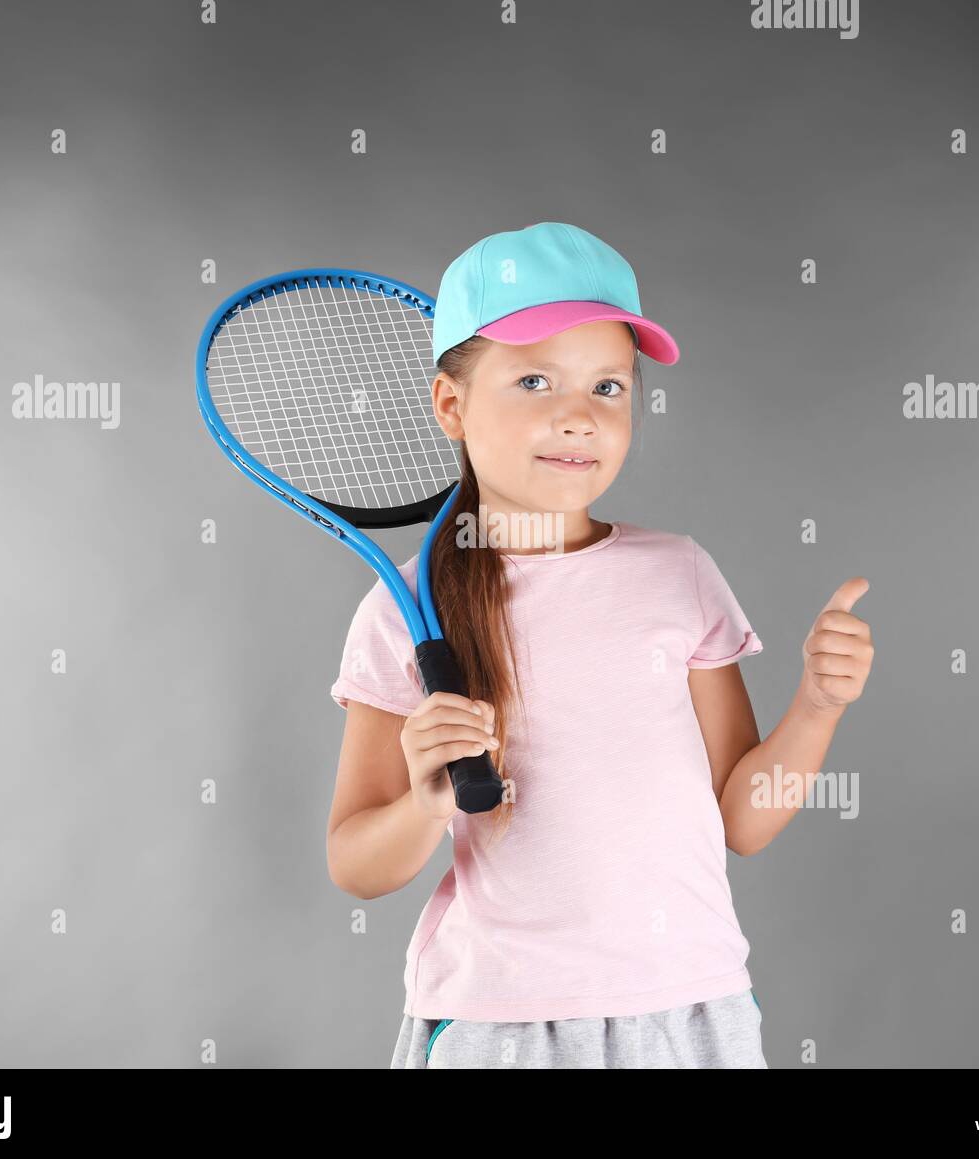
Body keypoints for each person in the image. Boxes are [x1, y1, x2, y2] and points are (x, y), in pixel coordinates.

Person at [326, 222, 874, 1068]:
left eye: (609, 387)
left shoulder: (680, 574)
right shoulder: (406, 607)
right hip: (501, 1025)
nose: (577, 415)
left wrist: (818, 706)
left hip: (690, 1011)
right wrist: (425, 804)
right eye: (535, 379)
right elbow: (357, 864)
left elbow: (745, 820)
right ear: (451, 405)